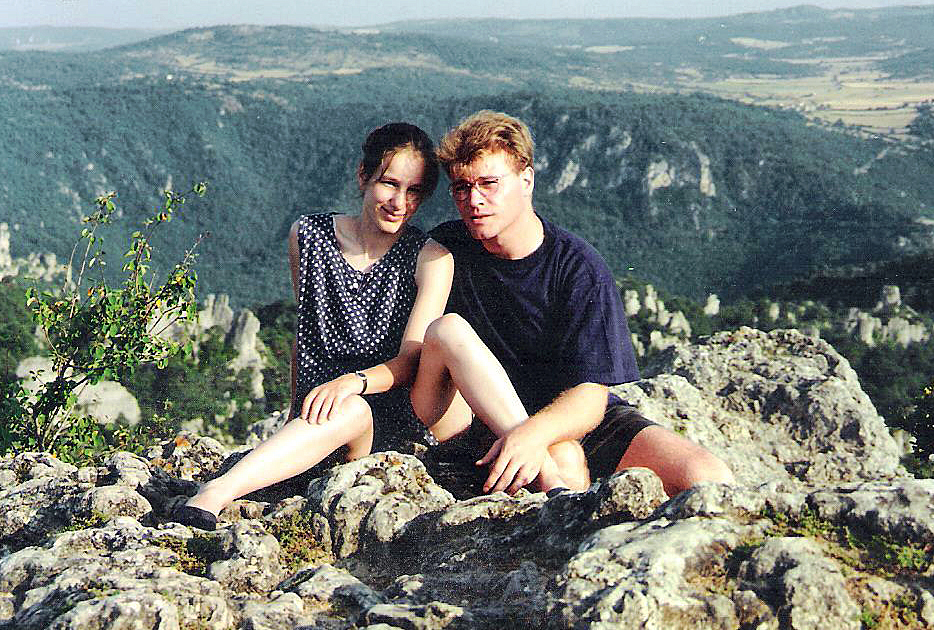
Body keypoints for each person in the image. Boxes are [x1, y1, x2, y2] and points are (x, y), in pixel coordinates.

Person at [410, 110, 734, 497]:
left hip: (566, 412)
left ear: (526, 180)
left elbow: (590, 398)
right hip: (480, 414)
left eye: (489, 183)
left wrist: (531, 435)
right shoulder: (443, 250)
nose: (473, 200)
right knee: (563, 459)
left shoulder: (577, 267)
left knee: (706, 477)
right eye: (461, 187)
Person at [172, 122, 454, 530]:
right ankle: (234, 485)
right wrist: (293, 411)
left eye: (414, 192)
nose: (399, 202)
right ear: (363, 177)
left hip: (380, 418)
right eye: (388, 184)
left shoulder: (431, 258)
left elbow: (412, 360)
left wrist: (351, 382)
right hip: (314, 409)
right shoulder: (308, 235)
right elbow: (307, 335)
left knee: (352, 408)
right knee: (339, 409)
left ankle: (215, 492)